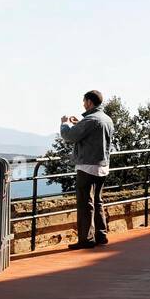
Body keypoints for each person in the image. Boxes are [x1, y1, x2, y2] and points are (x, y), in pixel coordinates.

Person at [59, 90, 115, 249]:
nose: (83, 104)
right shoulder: (107, 119)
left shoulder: (90, 119)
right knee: (97, 201)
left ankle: (86, 239)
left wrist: (64, 124)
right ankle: (101, 235)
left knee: (85, 203)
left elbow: (69, 137)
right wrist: (79, 123)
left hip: (87, 166)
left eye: (84, 101)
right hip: (103, 166)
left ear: (89, 102)